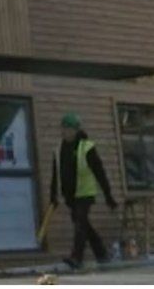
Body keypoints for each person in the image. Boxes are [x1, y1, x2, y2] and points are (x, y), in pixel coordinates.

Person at [50, 113, 118, 269]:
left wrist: (108, 195)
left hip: (85, 193)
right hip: (70, 195)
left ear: (75, 130)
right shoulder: (59, 149)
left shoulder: (87, 147)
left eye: (67, 129)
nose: (64, 132)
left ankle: (77, 258)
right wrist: (52, 196)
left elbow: (99, 172)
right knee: (83, 224)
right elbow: (56, 174)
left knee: (80, 222)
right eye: (63, 128)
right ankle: (101, 253)